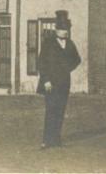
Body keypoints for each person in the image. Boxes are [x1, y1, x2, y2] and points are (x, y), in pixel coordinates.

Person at [36, 10, 81, 149]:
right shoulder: (48, 43)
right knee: (51, 110)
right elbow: (41, 63)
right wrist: (46, 80)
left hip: (64, 82)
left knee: (61, 110)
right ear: (56, 29)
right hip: (50, 83)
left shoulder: (70, 44)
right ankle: (46, 140)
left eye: (66, 29)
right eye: (61, 29)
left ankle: (56, 138)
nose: (64, 32)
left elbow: (77, 59)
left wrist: (67, 68)